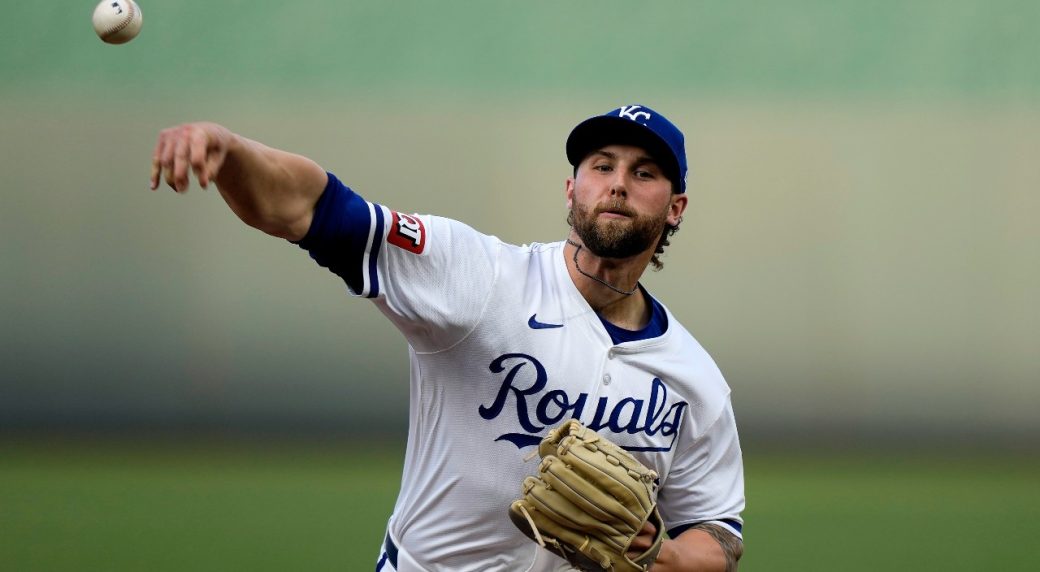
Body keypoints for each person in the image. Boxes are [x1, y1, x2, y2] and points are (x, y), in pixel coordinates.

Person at [149, 104, 745, 571]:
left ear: (676, 207)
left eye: (644, 173)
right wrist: (229, 150)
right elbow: (310, 207)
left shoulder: (694, 379)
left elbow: (718, 532)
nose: (618, 184)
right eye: (602, 166)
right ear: (572, 191)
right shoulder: (481, 277)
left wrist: (656, 557)